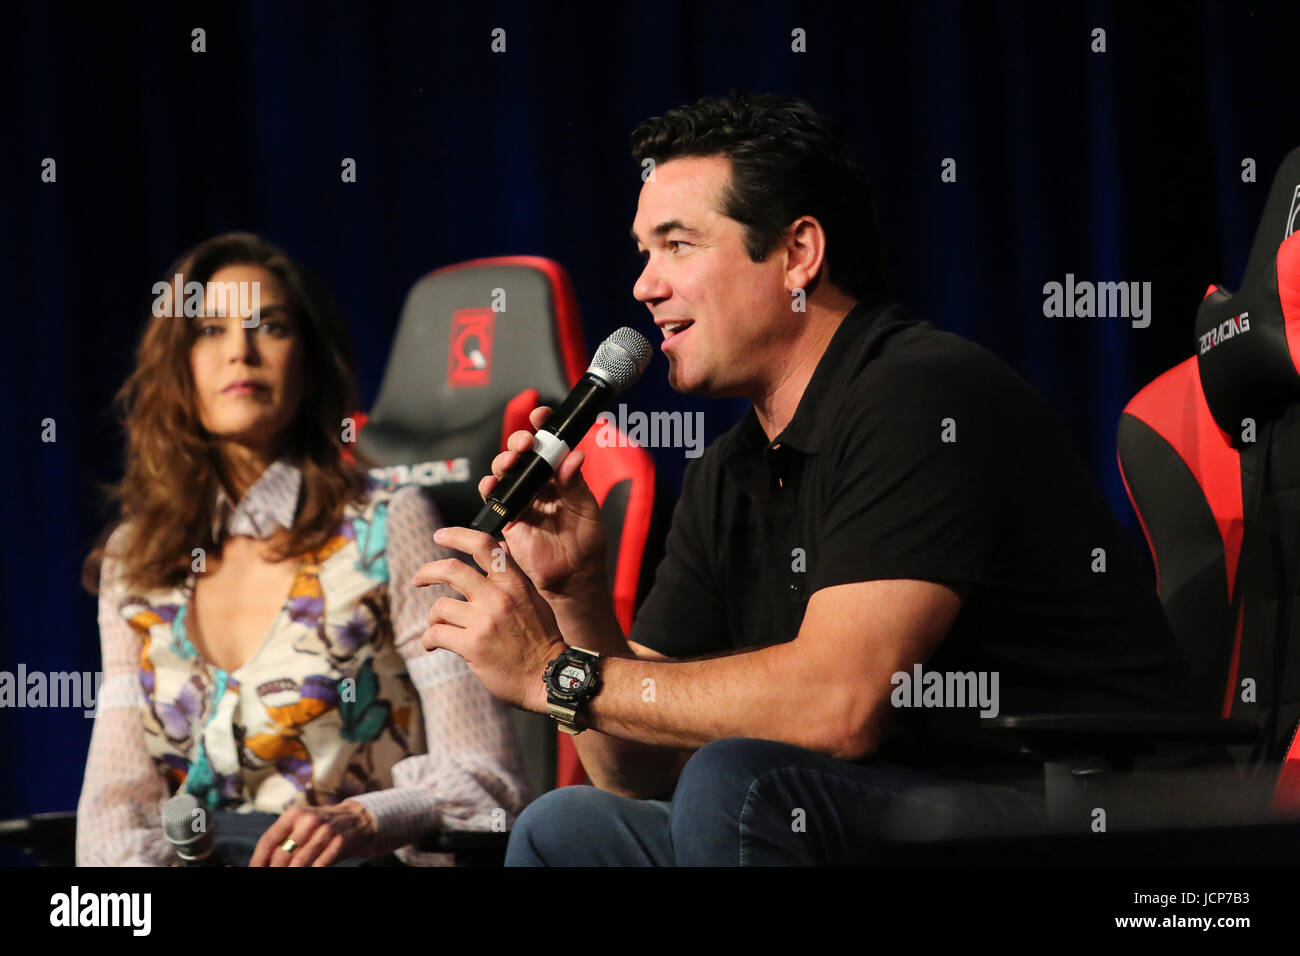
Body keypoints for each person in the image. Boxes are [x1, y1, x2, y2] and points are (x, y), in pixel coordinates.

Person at [410, 92, 1206, 865]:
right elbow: (633, 769)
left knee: (740, 783)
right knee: (567, 826)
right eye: (643, 252)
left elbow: (838, 707)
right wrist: (576, 593)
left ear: (798, 254)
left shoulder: (921, 397)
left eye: (678, 245)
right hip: (887, 812)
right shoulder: (728, 470)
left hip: (1067, 812)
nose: (644, 285)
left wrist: (554, 671)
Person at [77, 232, 529, 867]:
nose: (240, 351)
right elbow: (114, 810)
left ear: (309, 362)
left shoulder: (387, 523)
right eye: (211, 331)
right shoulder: (136, 557)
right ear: (179, 366)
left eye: (270, 326)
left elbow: (489, 782)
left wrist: (367, 817)